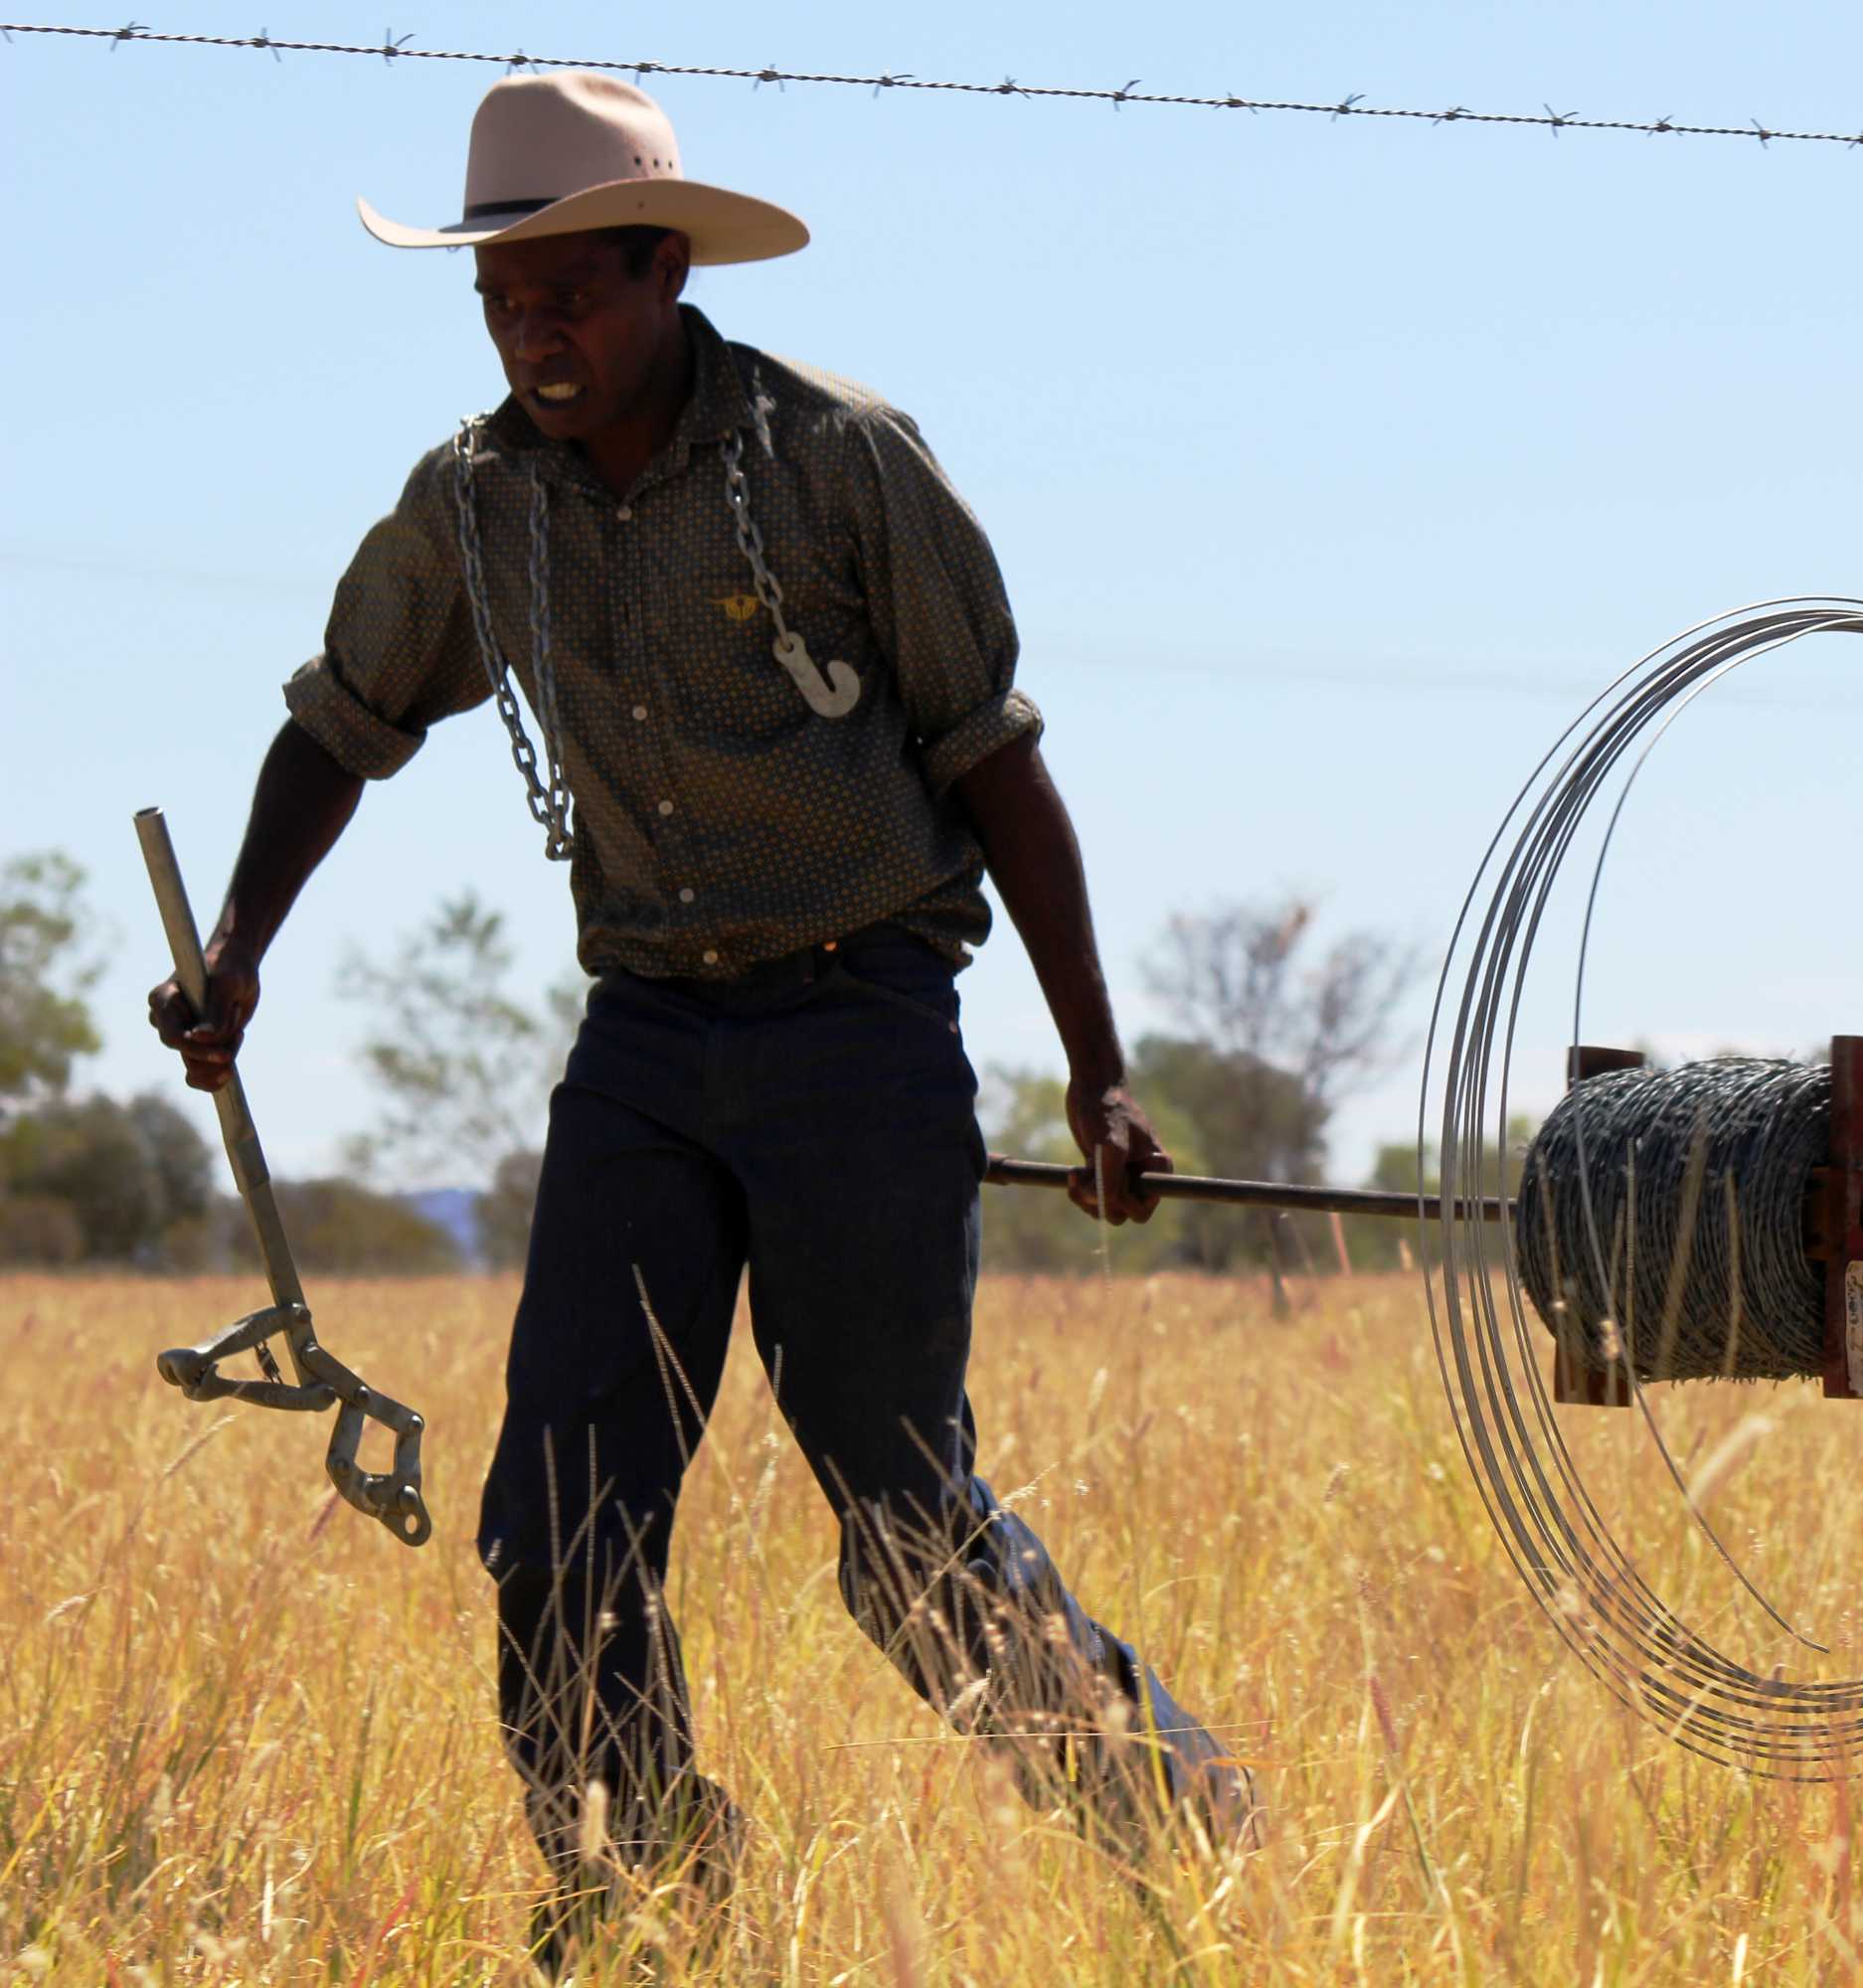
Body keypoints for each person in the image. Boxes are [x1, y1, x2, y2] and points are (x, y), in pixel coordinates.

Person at [147, 70, 1255, 1963]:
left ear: (665, 268)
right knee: (554, 1527)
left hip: (860, 1026)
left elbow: (996, 764)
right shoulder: (472, 504)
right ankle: (641, 1887)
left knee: (906, 1535)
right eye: (501, 297)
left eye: (568, 288)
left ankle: (1187, 1836)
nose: (532, 329)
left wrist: (1101, 1074)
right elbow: (341, 721)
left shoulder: (841, 461)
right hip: (647, 1048)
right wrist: (241, 942)